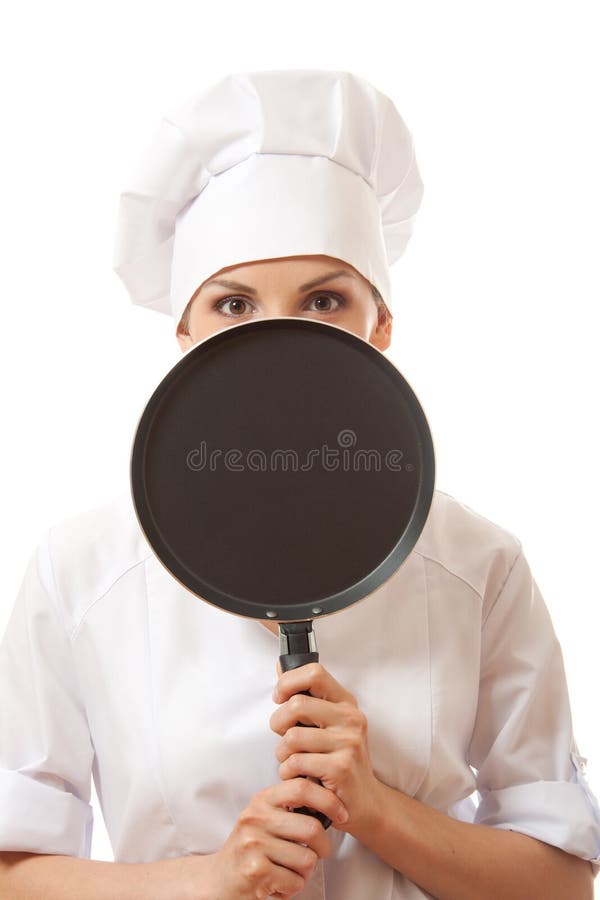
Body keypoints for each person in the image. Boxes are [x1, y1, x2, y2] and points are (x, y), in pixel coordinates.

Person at [1, 69, 599, 900]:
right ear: (184, 331)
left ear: (379, 323)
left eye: (323, 299)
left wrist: (378, 809)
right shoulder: (82, 571)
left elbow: (562, 882)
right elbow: (14, 869)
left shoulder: (479, 564)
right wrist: (204, 880)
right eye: (234, 306)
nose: (277, 340)